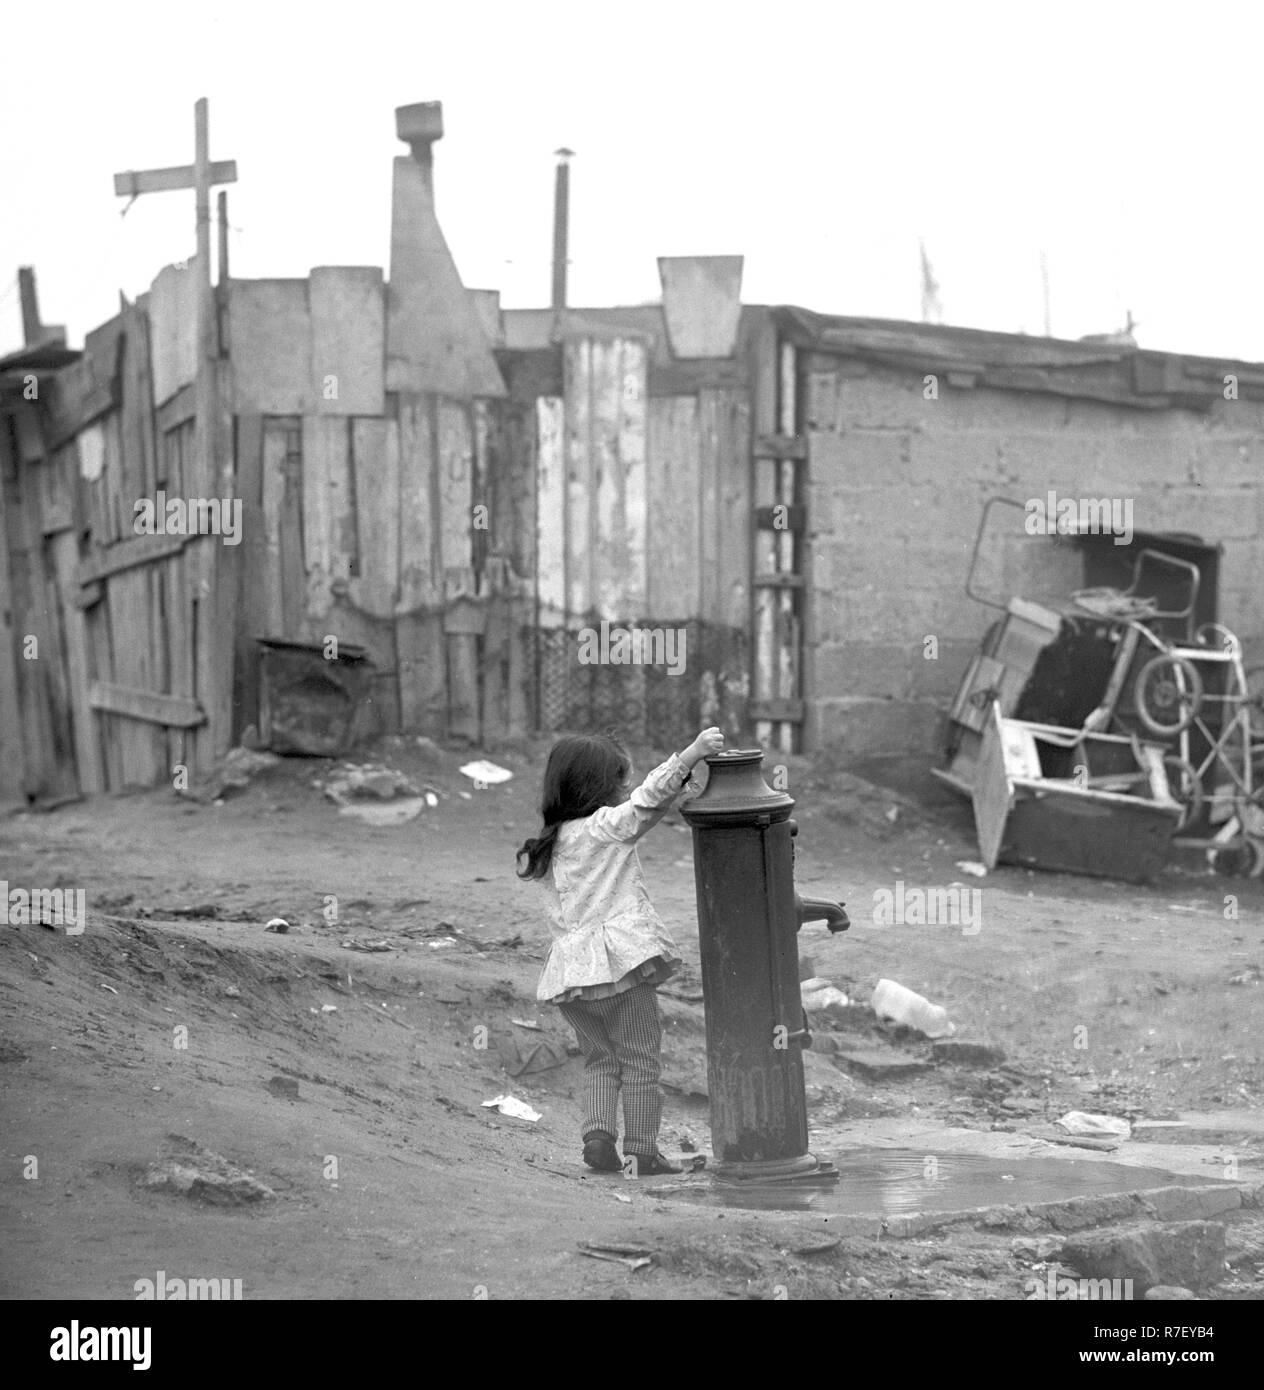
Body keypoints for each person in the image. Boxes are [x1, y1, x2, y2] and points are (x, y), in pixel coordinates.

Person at [516, 726, 725, 1175]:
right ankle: (642, 1151)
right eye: (619, 781)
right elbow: (649, 802)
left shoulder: (549, 846)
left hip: (572, 980)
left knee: (601, 1059)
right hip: (618, 971)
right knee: (640, 1060)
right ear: (599, 787)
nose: (626, 788)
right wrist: (691, 754)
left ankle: (597, 1138)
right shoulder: (602, 829)